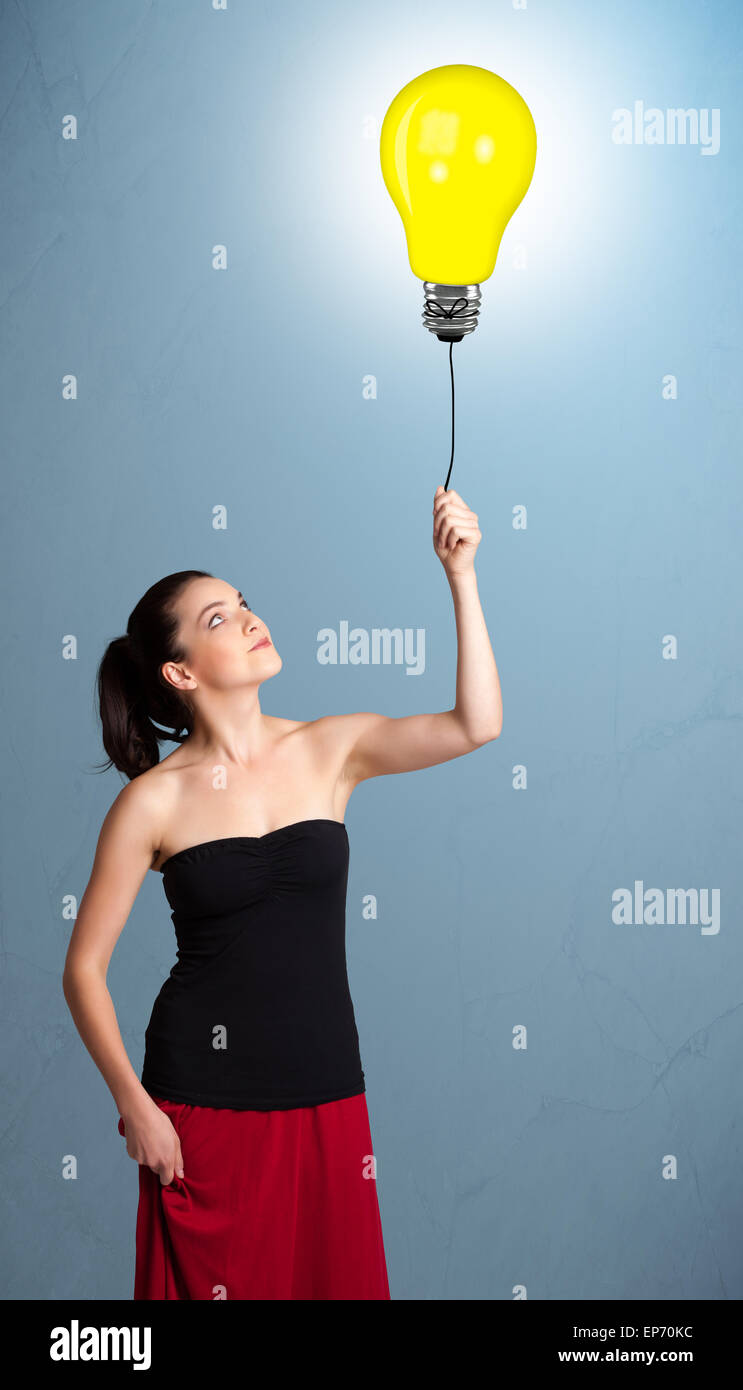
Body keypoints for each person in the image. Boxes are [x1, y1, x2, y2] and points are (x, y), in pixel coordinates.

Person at [62, 485, 502, 1300]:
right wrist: (137, 1107)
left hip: (326, 1085)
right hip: (200, 1100)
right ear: (179, 671)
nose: (249, 616)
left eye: (243, 602)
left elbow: (476, 725)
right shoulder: (151, 802)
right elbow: (83, 969)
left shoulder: (330, 748)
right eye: (218, 618)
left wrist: (461, 576)